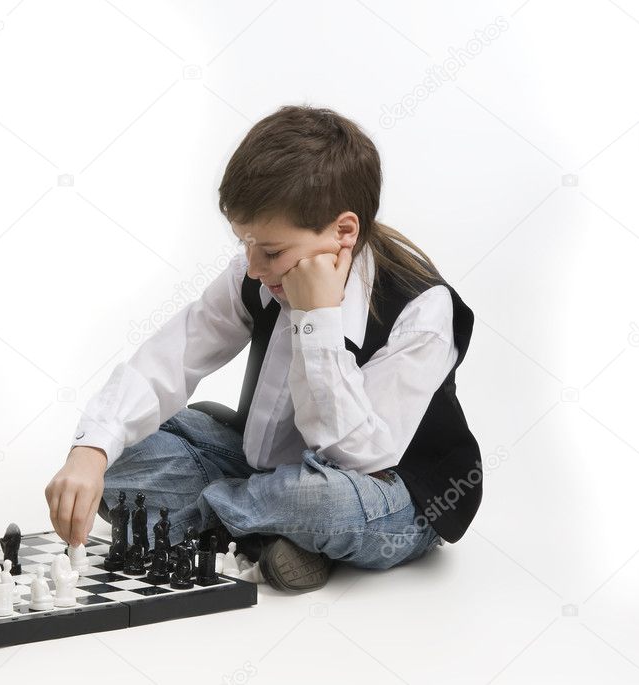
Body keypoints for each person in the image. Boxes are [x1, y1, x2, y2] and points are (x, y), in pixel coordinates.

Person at [46, 105, 481, 592]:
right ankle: (273, 537)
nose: (252, 266)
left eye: (271, 251)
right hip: (262, 468)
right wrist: (91, 452)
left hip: (385, 493)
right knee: (122, 448)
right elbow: (175, 354)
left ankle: (216, 522)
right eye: (245, 243)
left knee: (323, 505)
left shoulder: (421, 311)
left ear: (344, 232)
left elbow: (358, 458)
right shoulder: (257, 274)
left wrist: (317, 320)